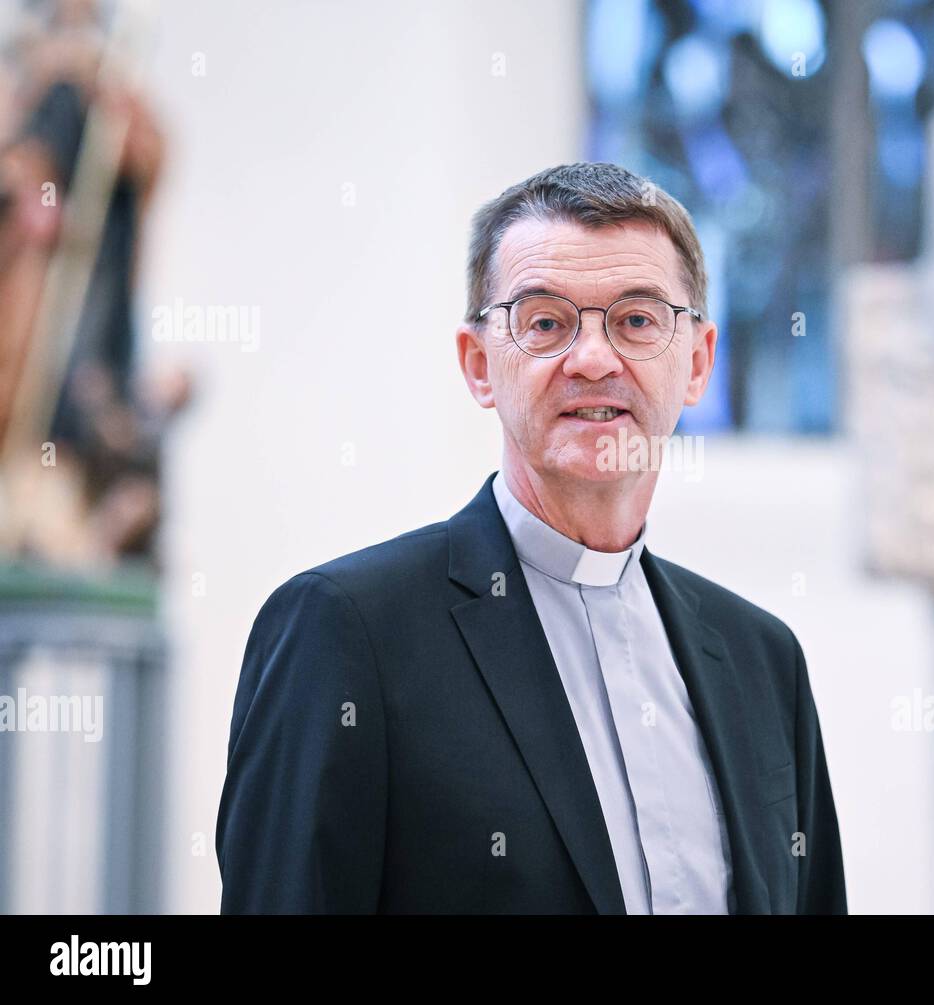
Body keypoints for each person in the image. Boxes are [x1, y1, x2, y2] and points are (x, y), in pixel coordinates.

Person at [215, 162, 847, 914]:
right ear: (480, 364)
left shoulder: (763, 660)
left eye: (637, 320)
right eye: (546, 322)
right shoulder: (346, 631)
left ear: (698, 362)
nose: (592, 358)